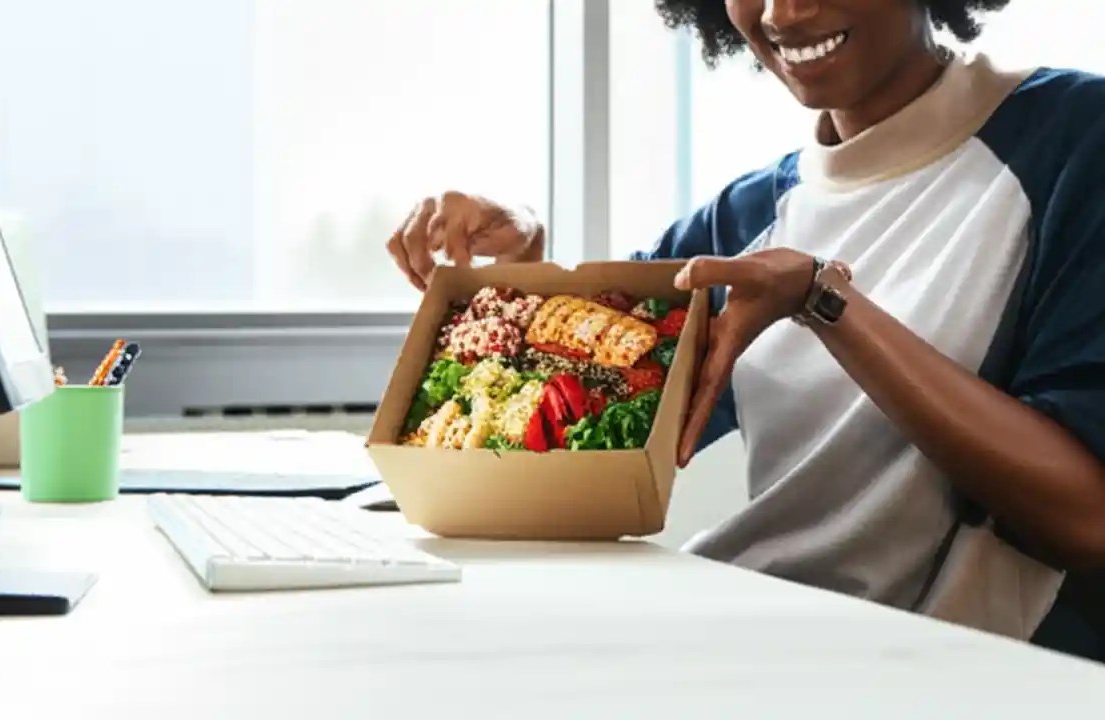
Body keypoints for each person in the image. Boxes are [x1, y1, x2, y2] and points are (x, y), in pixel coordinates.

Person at [387, 0, 1105, 661]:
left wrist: (825, 302)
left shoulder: (1074, 141)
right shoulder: (749, 215)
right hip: (757, 635)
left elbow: (1085, 517)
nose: (782, 12)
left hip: (955, 670)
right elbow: (593, 424)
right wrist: (525, 274)